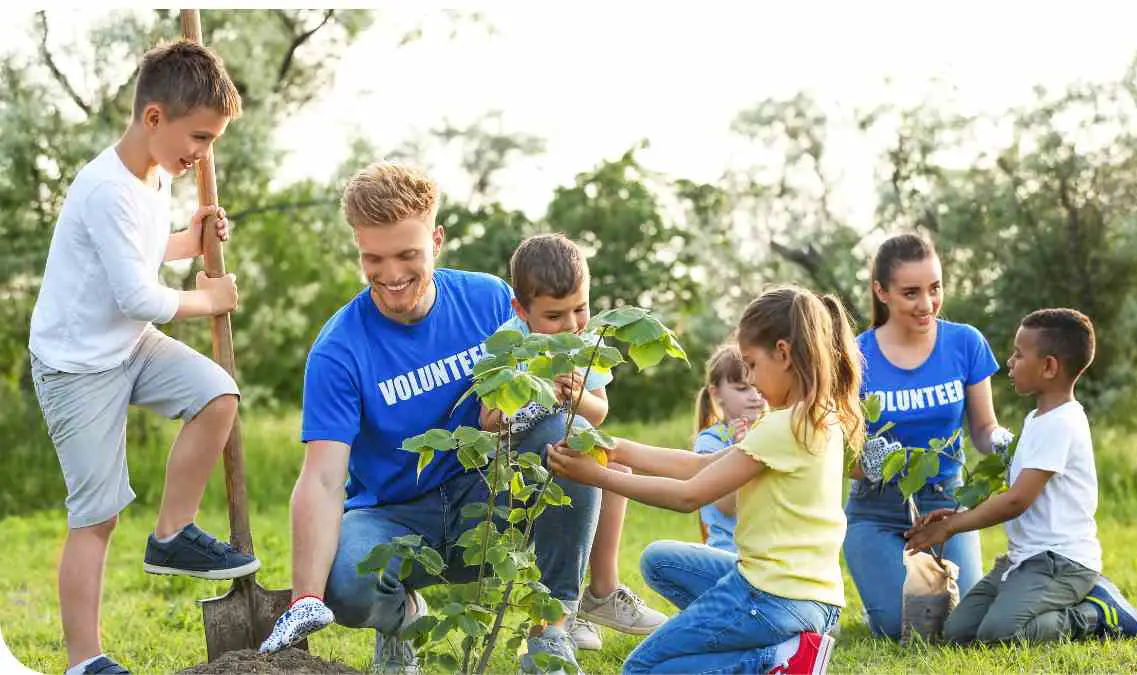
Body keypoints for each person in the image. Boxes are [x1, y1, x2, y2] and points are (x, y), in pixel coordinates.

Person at [257, 162, 601, 675]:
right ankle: (402, 622)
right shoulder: (339, 350)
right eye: (373, 258)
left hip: (485, 494)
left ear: (436, 240)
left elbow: (558, 384)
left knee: (573, 436)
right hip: (393, 515)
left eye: (407, 255)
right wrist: (305, 596)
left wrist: (520, 409)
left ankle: (553, 625)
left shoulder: (487, 301)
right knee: (346, 583)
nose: (391, 275)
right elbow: (323, 477)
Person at [27, 39, 253, 675]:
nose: (202, 154)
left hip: (125, 343)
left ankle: (172, 535)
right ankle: (85, 661)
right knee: (96, 517)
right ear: (154, 117)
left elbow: (145, 252)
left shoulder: (154, 177)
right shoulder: (104, 187)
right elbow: (138, 295)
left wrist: (195, 236)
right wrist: (208, 299)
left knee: (217, 394)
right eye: (200, 137)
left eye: (210, 142)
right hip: (77, 365)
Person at [549, 286, 858, 675]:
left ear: (783, 352)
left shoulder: (783, 427)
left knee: (640, 669)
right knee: (660, 561)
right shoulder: (816, 417)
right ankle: (782, 645)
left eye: (751, 364)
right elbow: (705, 465)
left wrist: (597, 476)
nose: (749, 379)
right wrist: (615, 448)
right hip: (815, 600)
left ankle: (776, 661)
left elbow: (688, 496)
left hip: (772, 595)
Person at [904, 308, 1137, 642]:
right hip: (1023, 559)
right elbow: (1016, 491)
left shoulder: (1062, 423)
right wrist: (958, 513)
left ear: (1049, 366)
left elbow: (1017, 500)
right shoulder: (1037, 418)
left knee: (999, 635)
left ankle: (1094, 614)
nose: (1009, 362)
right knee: (958, 632)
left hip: (1060, 562)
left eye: (1019, 355)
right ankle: (1030, 597)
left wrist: (950, 527)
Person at [485, 234, 666, 652]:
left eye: (580, 309)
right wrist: (539, 388)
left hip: (569, 453)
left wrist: (577, 395)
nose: (570, 324)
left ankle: (598, 595)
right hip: (515, 466)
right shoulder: (508, 344)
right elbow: (489, 419)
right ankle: (563, 612)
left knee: (614, 467)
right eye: (553, 315)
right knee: (580, 447)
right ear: (521, 310)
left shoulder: (586, 344)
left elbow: (598, 411)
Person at [843, 233, 1011, 640]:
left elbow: (984, 429)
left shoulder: (965, 343)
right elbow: (844, 457)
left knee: (957, 626)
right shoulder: (855, 356)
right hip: (876, 511)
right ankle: (883, 594)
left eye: (934, 289)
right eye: (911, 293)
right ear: (881, 292)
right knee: (899, 628)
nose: (927, 304)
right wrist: (869, 462)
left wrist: (1009, 445)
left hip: (946, 507)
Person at [691, 343, 764, 553]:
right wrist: (746, 449)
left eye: (758, 387)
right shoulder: (710, 441)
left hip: (768, 556)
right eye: (742, 388)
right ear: (716, 394)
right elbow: (728, 506)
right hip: (728, 554)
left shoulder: (772, 431)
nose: (754, 396)